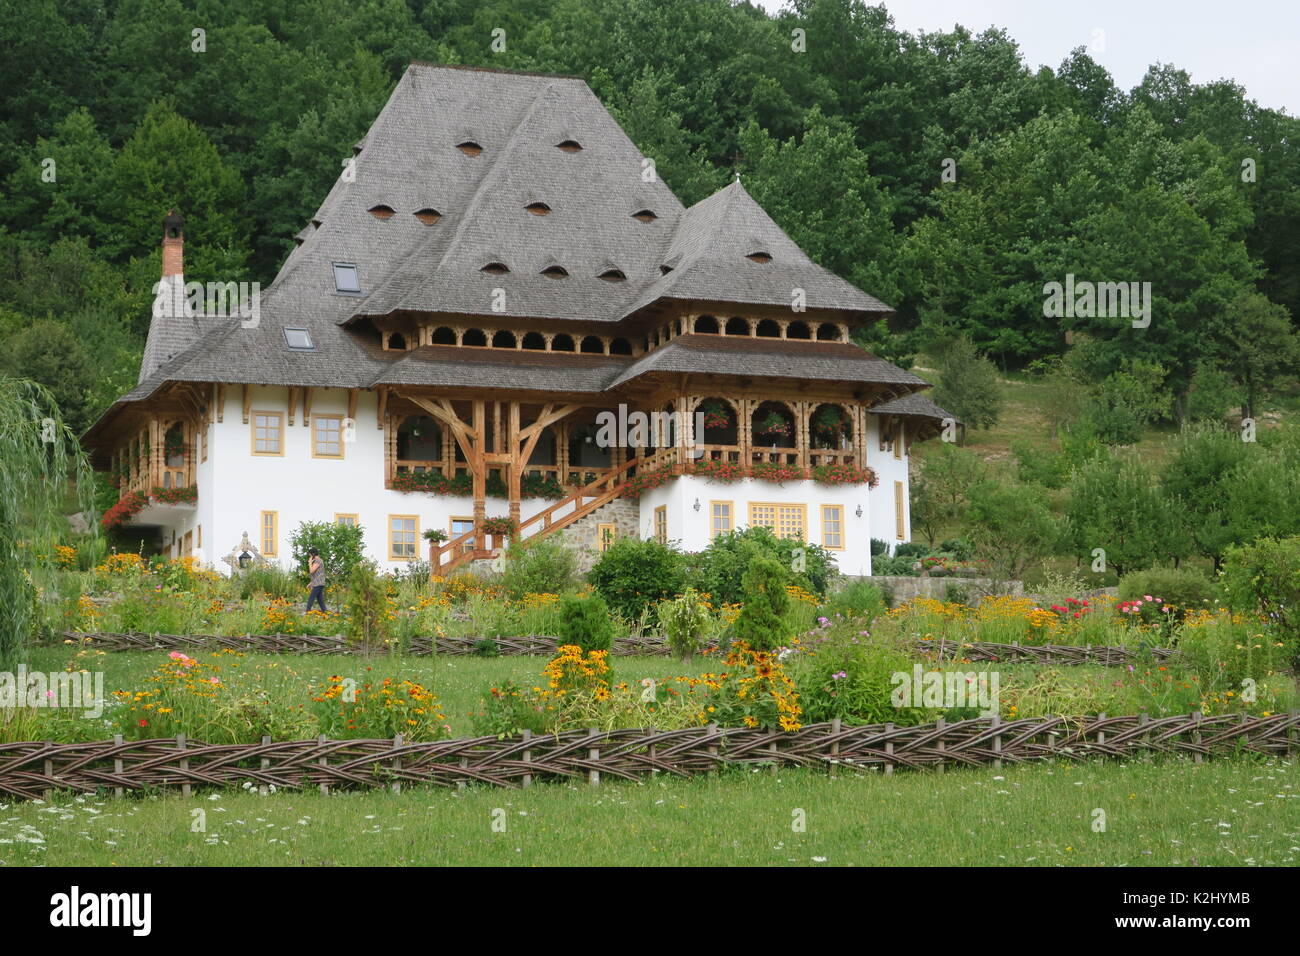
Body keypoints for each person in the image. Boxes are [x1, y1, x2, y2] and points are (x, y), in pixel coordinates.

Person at [306, 548, 327, 613]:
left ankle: (308, 612)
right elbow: (317, 574)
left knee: (311, 598)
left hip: (318, 583)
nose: (310, 557)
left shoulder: (317, 560)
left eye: (310, 555)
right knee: (320, 599)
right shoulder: (318, 560)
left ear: (313, 554)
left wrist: (309, 563)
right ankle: (325, 612)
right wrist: (311, 583)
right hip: (319, 583)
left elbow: (312, 571)